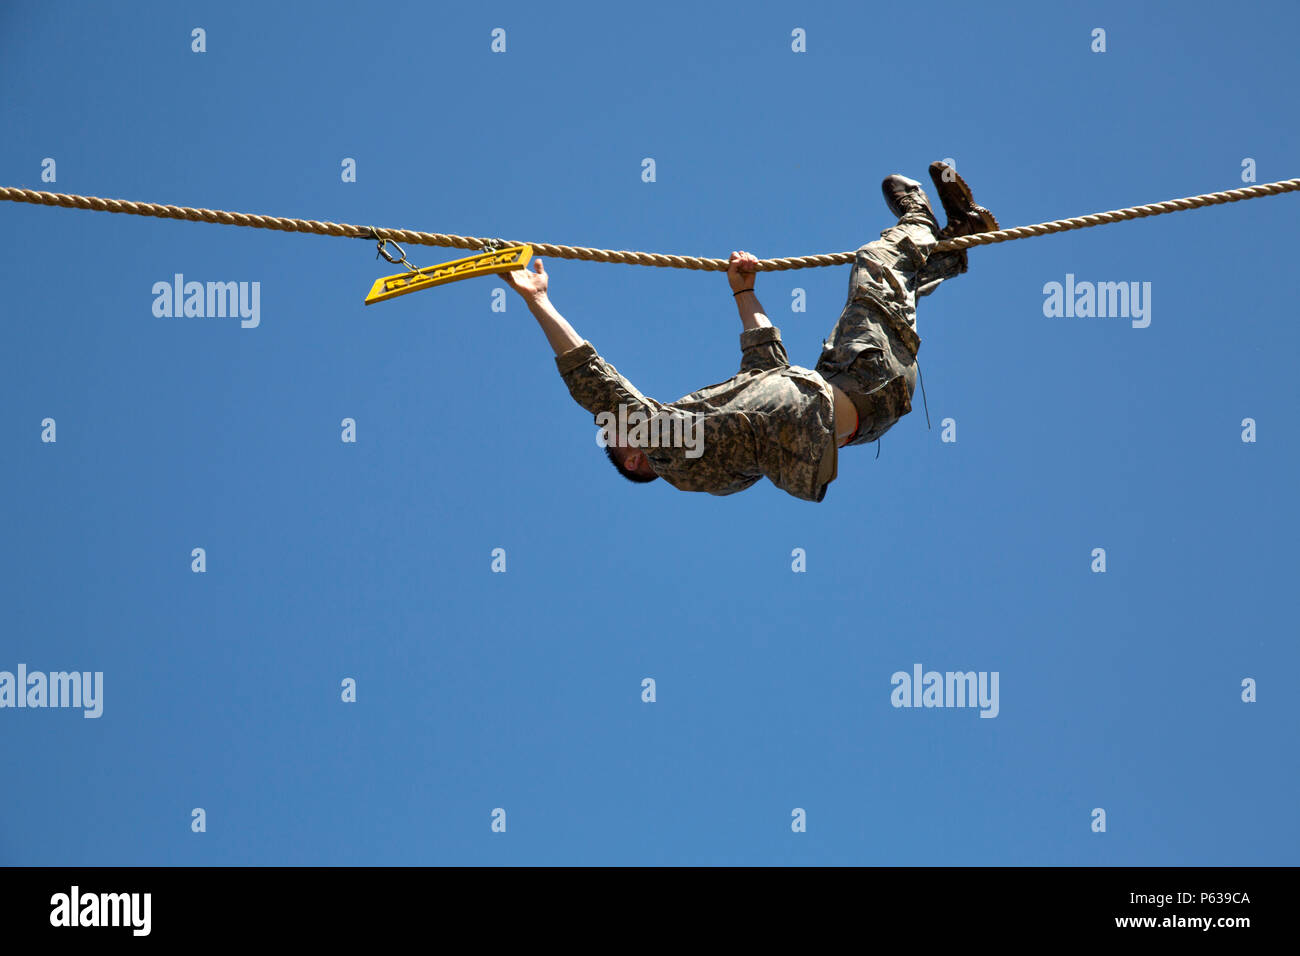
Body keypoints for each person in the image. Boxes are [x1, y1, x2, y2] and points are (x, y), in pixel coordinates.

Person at [500, 162, 997, 502]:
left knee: (884, 285)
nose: (617, 424)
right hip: (864, 387)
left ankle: (953, 245)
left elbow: (766, 364)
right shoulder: (676, 453)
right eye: (617, 434)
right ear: (635, 461)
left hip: (846, 380)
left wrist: (743, 293)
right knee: (873, 264)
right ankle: (919, 221)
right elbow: (596, 385)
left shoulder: (712, 430)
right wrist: (539, 301)